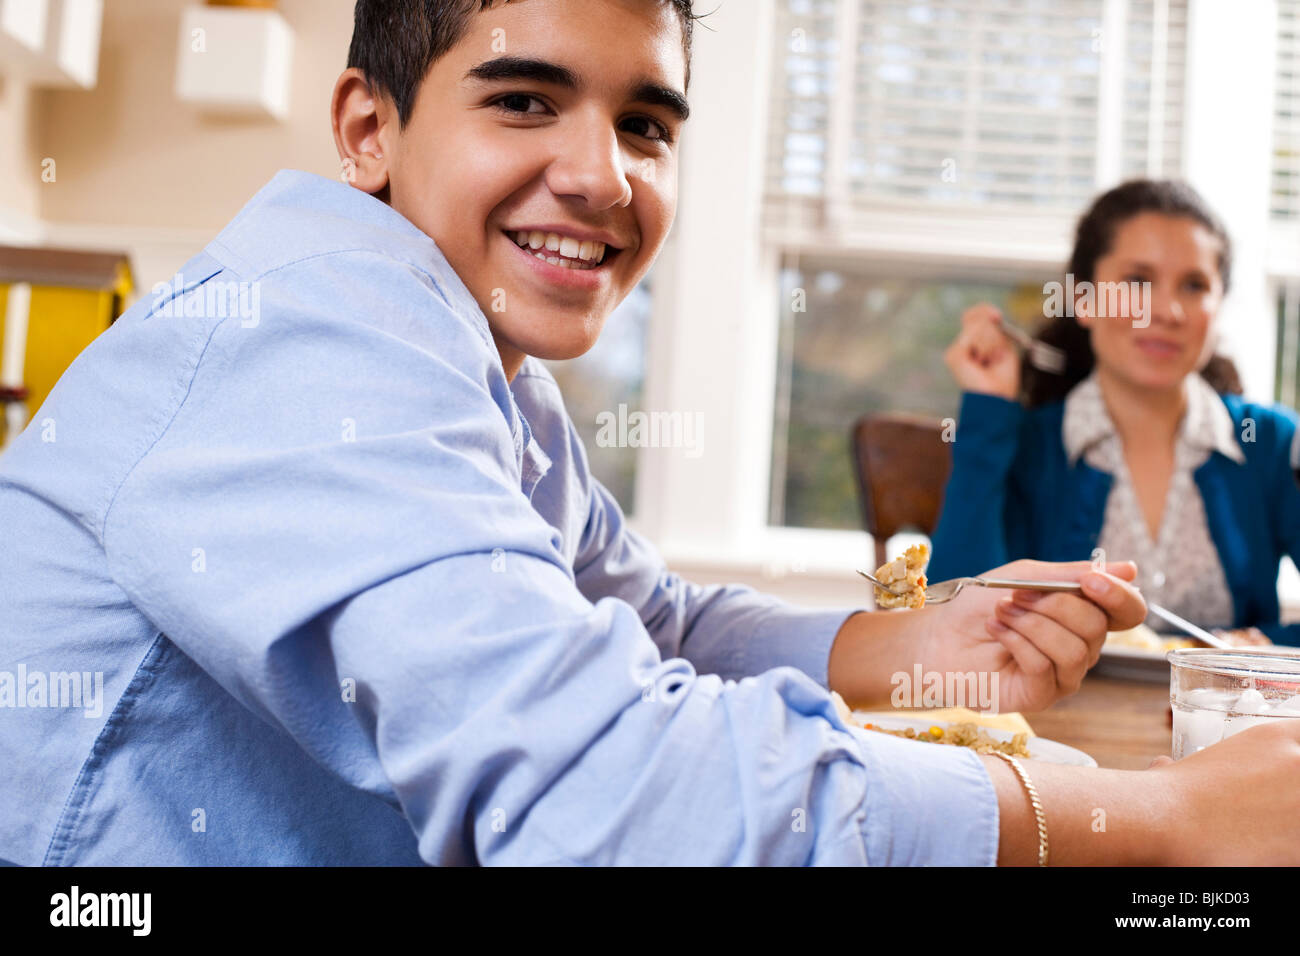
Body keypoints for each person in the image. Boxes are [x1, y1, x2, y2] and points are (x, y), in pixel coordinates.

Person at [0, 0, 1298, 867]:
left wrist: (914, 646)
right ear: (368, 129)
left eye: (645, 125)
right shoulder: (315, 333)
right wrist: (1165, 821)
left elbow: (655, 621)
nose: (605, 174)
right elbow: (608, 795)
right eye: (522, 101)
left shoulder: (482, 367)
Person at [933, 179, 1300, 646]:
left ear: (1217, 306)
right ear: (1083, 301)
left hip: (1227, 718)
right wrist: (987, 410)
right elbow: (952, 621)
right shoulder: (1022, 444)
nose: (1166, 310)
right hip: (1054, 718)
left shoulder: (1272, 443)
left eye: (1193, 285)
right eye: (1138, 281)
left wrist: (1261, 645)